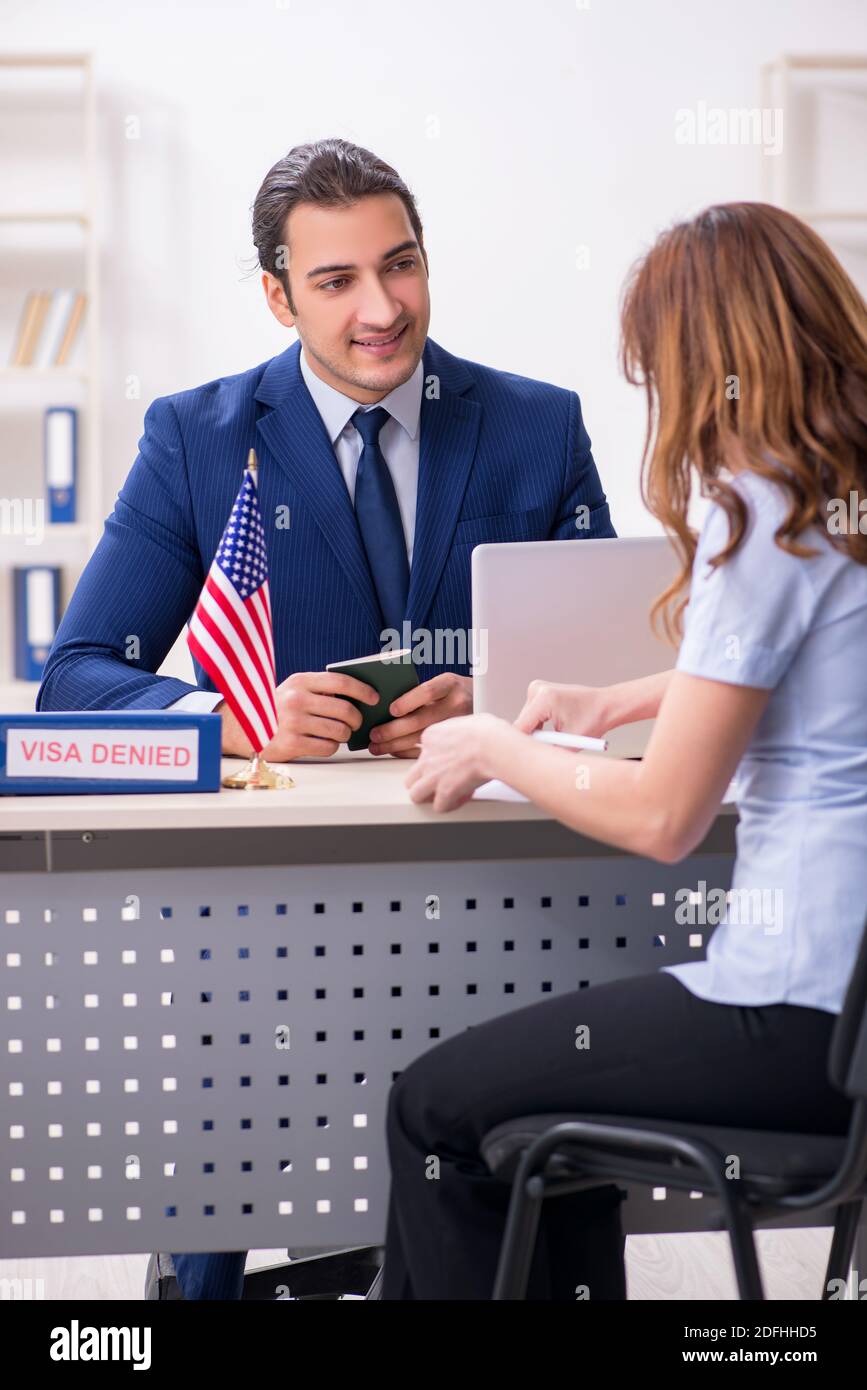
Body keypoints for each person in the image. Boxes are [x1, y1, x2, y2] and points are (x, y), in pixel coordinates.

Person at [36, 138, 615, 1299]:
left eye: (399, 266)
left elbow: (615, 676)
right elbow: (80, 676)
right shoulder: (197, 437)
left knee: (568, 1097)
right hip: (269, 905)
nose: (381, 308)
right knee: (221, 1132)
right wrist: (235, 716)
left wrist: (496, 704)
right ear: (276, 294)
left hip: (499, 890)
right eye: (337, 280)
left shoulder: (537, 427)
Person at [385, 201, 867, 1299]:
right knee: (533, 1096)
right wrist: (619, 699)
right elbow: (816, 681)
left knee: (432, 1107)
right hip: (849, 1022)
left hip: (797, 1022)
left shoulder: (770, 511)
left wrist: (494, 742)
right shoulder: (842, 504)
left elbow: (663, 819)